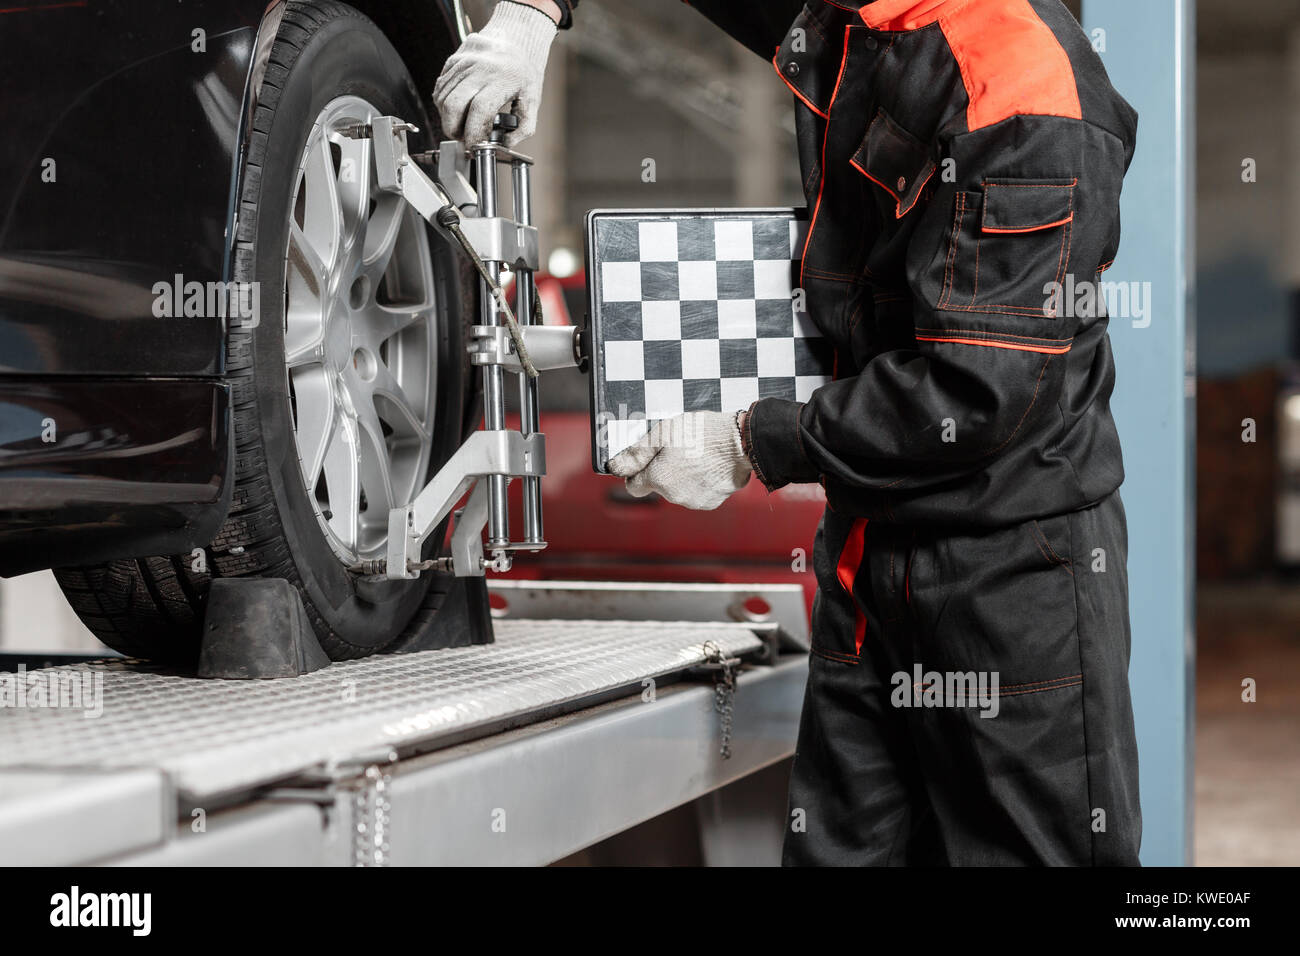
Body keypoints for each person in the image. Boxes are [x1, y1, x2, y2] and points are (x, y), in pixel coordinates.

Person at [435, 0, 1142, 866]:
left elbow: (976, 394)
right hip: (868, 555)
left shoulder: (1023, 91)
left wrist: (750, 440)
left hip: (1011, 573)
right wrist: (531, 17)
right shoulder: (856, 16)